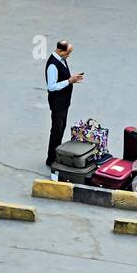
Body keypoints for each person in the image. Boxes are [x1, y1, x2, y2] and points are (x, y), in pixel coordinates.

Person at [44, 40, 84, 179]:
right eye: (68, 53)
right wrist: (69, 81)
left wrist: (71, 79)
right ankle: (51, 158)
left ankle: (56, 154)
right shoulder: (53, 66)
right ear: (60, 51)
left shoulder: (61, 59)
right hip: (58, 103)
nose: (69, 56)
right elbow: (52, 86)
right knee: (56, 129)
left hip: (64, 101)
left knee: (61, 128)